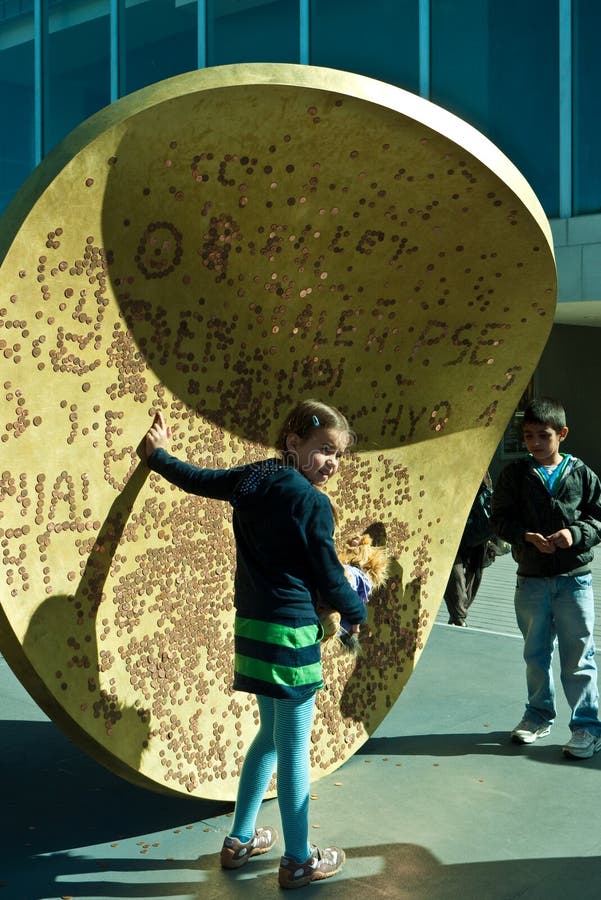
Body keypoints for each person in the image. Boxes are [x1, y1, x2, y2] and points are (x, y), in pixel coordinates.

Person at [144, 399, 366, 888]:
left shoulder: (253, 478)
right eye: (324, 450)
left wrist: (158, 455)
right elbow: (329, 576)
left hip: (253, 630)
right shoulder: (311, 503)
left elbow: (196, 479)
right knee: (294, 750)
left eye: (338, 455)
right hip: (291, 637)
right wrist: (356, 610)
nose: (331, 462)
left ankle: (239, 839)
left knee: (269, 736)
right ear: (293, 442)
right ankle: (299, 860)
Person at [491, 397, 601, 759]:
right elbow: (499, 519)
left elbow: (598, 518)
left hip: (575, 582)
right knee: (535, 654)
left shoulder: (582, 474)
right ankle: (538, 715)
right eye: (528, 435)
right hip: (531, 581)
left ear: (562, 434)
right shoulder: (514, 475)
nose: (535, 442)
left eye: (543, 435)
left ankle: (587, 727)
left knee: (578, 656)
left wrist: (576, 533)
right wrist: (524, 536)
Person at [444, 473, 493, 627]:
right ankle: (458, 616)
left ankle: (458, 614)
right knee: (455, 573)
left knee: (473, 574)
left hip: (476, 529)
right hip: (452, 528)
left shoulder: (483, 474)